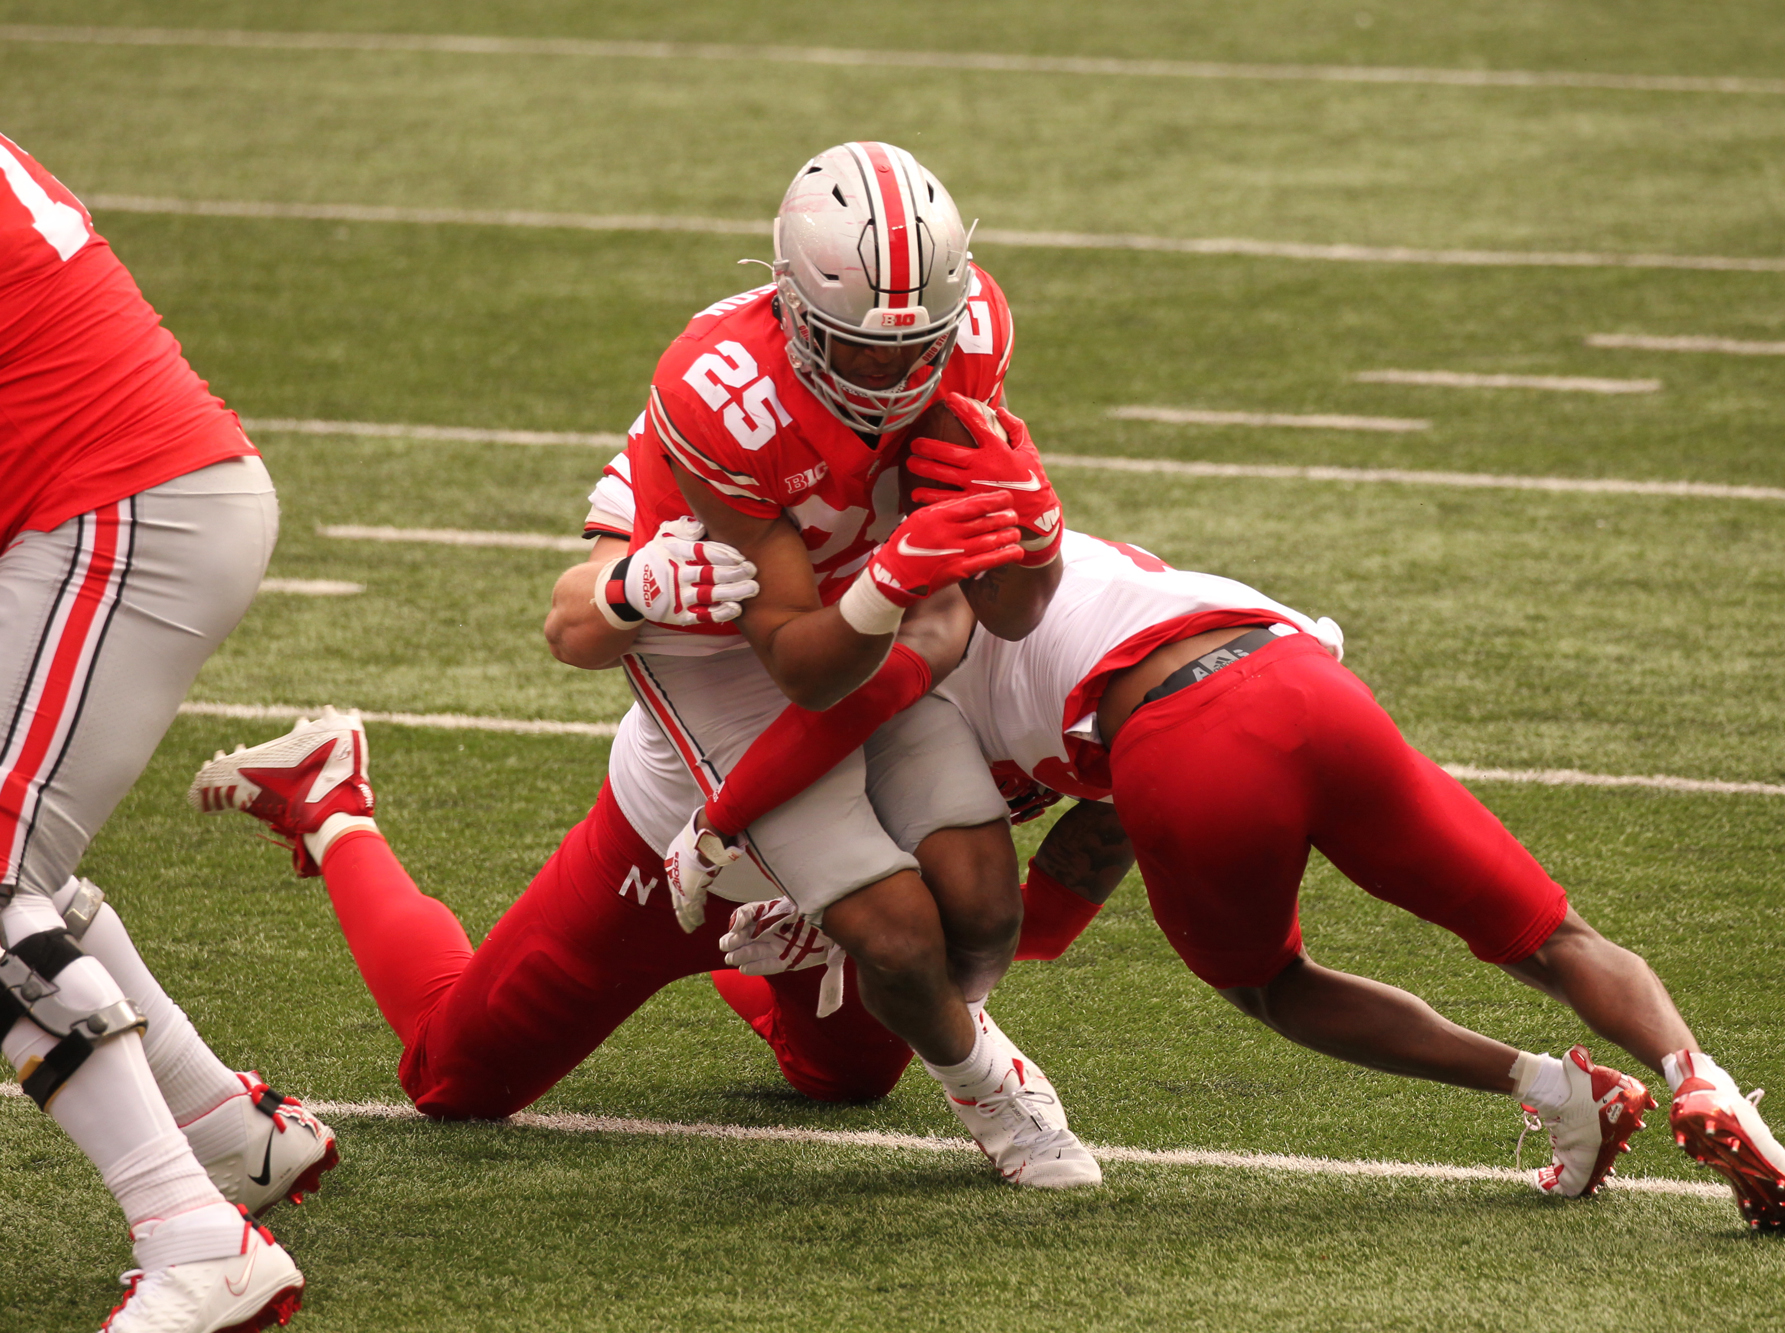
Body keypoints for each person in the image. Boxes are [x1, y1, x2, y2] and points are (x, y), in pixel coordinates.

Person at [631, 428, 1785, 1234]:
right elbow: (1045, 912)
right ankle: (1693, 1072)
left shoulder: (938, 618)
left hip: (1184, 740)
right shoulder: (1088, 569)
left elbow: (914, 773)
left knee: (1273, 984)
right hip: (1305, 678)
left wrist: (732, 832)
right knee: (1548, 932)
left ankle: (1551, 1091)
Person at [195, 141, 1100, 1188]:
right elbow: (575, 628)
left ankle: (800, 930)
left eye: (918, 349)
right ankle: (331, 804)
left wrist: (1031, 535)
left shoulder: (960, 338)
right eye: (861, 353)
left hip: (859, 669)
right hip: (699, 764)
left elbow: (973, 609)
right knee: (455, 1077)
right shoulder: (716, 402)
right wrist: (635, 589)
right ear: (795, 315)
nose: (897, 379)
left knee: (871, 1050)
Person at [0, 132, 334, 1332]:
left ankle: (193, 1234)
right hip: (127, 500)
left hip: (117, 510)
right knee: (14, 862)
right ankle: (224, 1131)